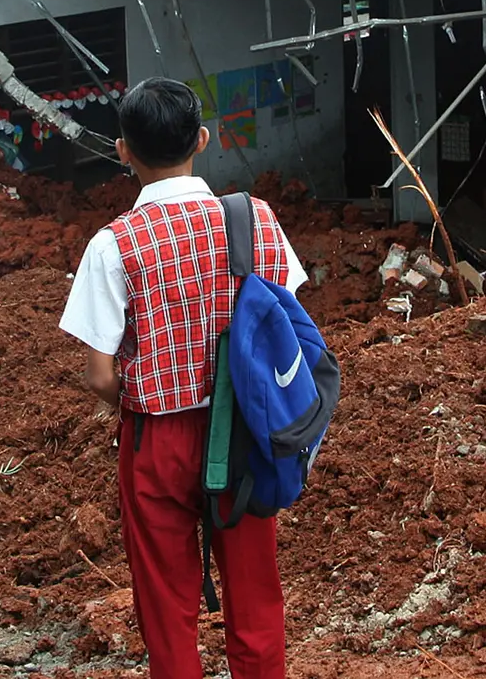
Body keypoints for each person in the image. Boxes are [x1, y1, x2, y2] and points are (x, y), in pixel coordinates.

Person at [59, 77, 308, 679]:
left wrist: (145, 393)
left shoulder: (112, 245)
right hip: (247, 431)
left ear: (123, 150)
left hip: (157, 440)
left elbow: (98, 375)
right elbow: (288, 321)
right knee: (255, 595)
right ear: (202, 138)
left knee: (166, 607)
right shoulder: (256, 219)